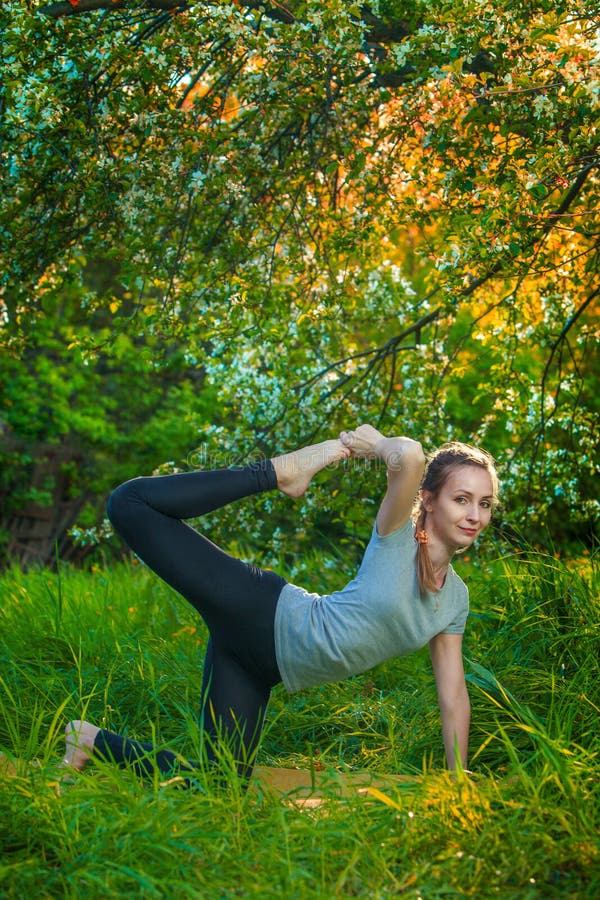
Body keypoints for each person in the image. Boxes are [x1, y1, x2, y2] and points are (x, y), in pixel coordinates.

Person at [62, 424, 498, 786]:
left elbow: (454, 694)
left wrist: (457, 779)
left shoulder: (454, 600)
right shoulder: (397, 532)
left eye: (484, 503)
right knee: (129, 504)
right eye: (461, 499)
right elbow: (412, 455)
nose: (474, 515)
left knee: (219, 788)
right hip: (261, 612)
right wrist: (379, 447)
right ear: (429, 500)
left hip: (259, 665)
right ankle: (277, 472)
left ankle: (91, 742)